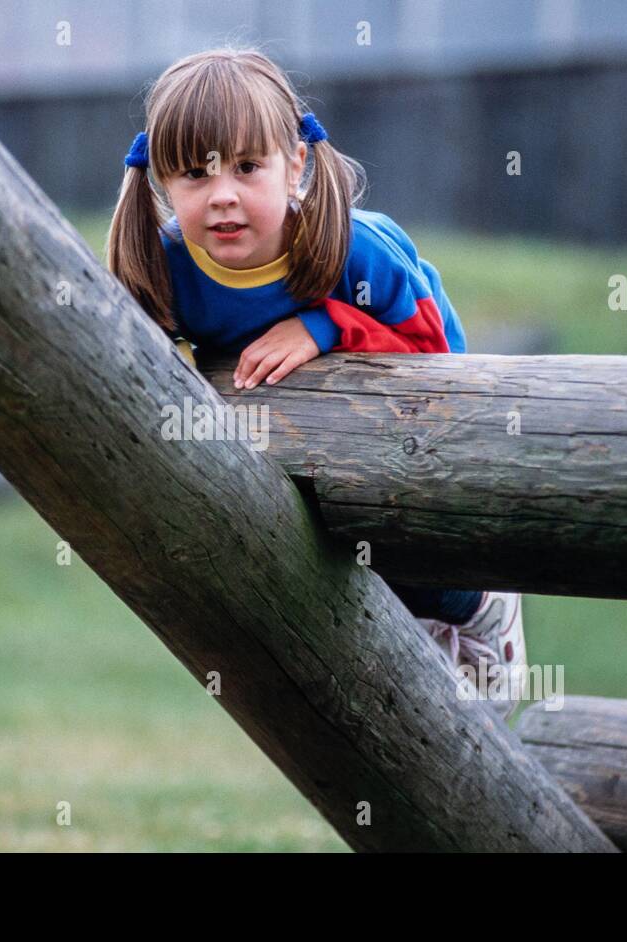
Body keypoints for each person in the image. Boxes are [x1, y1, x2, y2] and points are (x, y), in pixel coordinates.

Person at [105, 48, 526, 719]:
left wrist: (323, 327)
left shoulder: (356, 250)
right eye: (193, 173)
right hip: (299, 445)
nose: (223, 195)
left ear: (295, 163)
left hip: (415, 424)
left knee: (407, 552)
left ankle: (482, 606)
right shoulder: (169, 270)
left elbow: (434, 355)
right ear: (160, 182)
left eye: (248, 166)